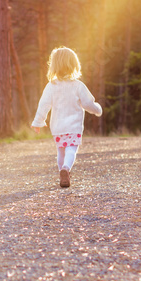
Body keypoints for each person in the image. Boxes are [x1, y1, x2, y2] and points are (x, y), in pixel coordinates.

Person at [31, 47, 103, 188]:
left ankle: (62, 173)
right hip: (74, 126)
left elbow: (43, 105)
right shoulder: (78, 86)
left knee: (61, 150)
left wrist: (38, 121)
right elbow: (88, 104)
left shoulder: (51, 86)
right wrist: (98, 110)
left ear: (54, 66)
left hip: (57, 127)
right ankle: (66, 169)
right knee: (71, 149)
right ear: (74, 65)